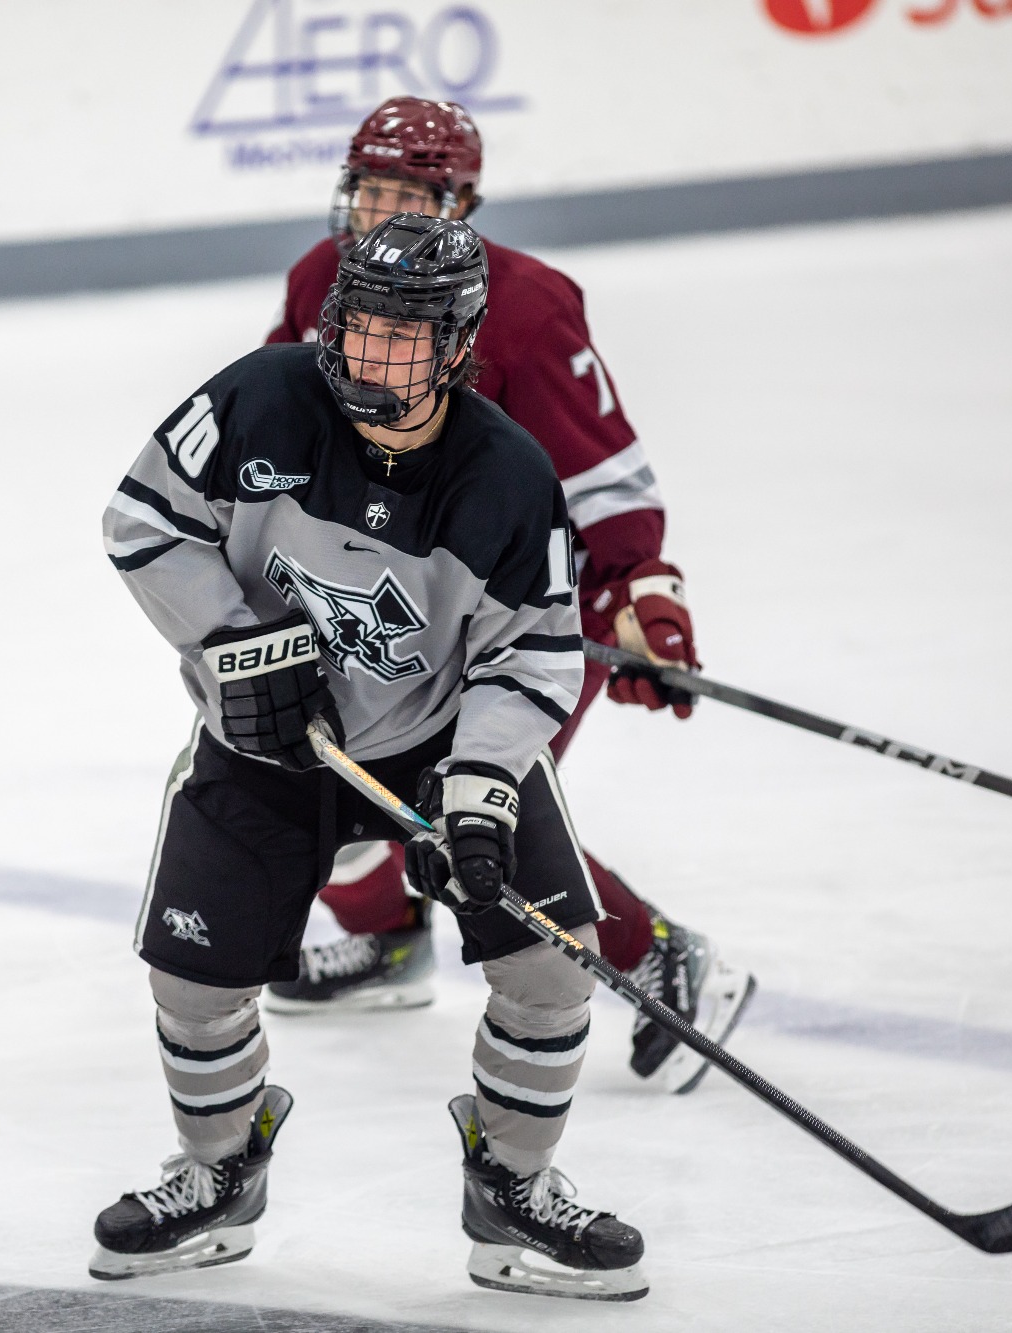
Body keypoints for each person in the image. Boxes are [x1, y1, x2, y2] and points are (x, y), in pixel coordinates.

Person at [91, 214, 648, 1301]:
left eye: (404, 338)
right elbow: (142, 519)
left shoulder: (506, 475)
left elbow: (533, 653)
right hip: (261, 743)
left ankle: (512, 1192)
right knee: (192, 982)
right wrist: (234, 648)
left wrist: (481, 789)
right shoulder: (258, 396)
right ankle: (216, 1176)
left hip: (436, 743)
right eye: (358, 329)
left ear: (456, 345)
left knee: (547, 965)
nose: (369, 357)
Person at [262, 97, 752, 1093]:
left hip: (513, 611)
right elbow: (281, 428)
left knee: (460, 813)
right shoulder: (319, 281)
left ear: (462, 203)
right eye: (370, 191)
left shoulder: (526, 307)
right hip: (382, 604)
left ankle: (661, 953)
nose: (381, 214)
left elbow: (604, 479)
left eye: (410, 195)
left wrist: (638, 596)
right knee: (307, 786)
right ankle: (388, 942)